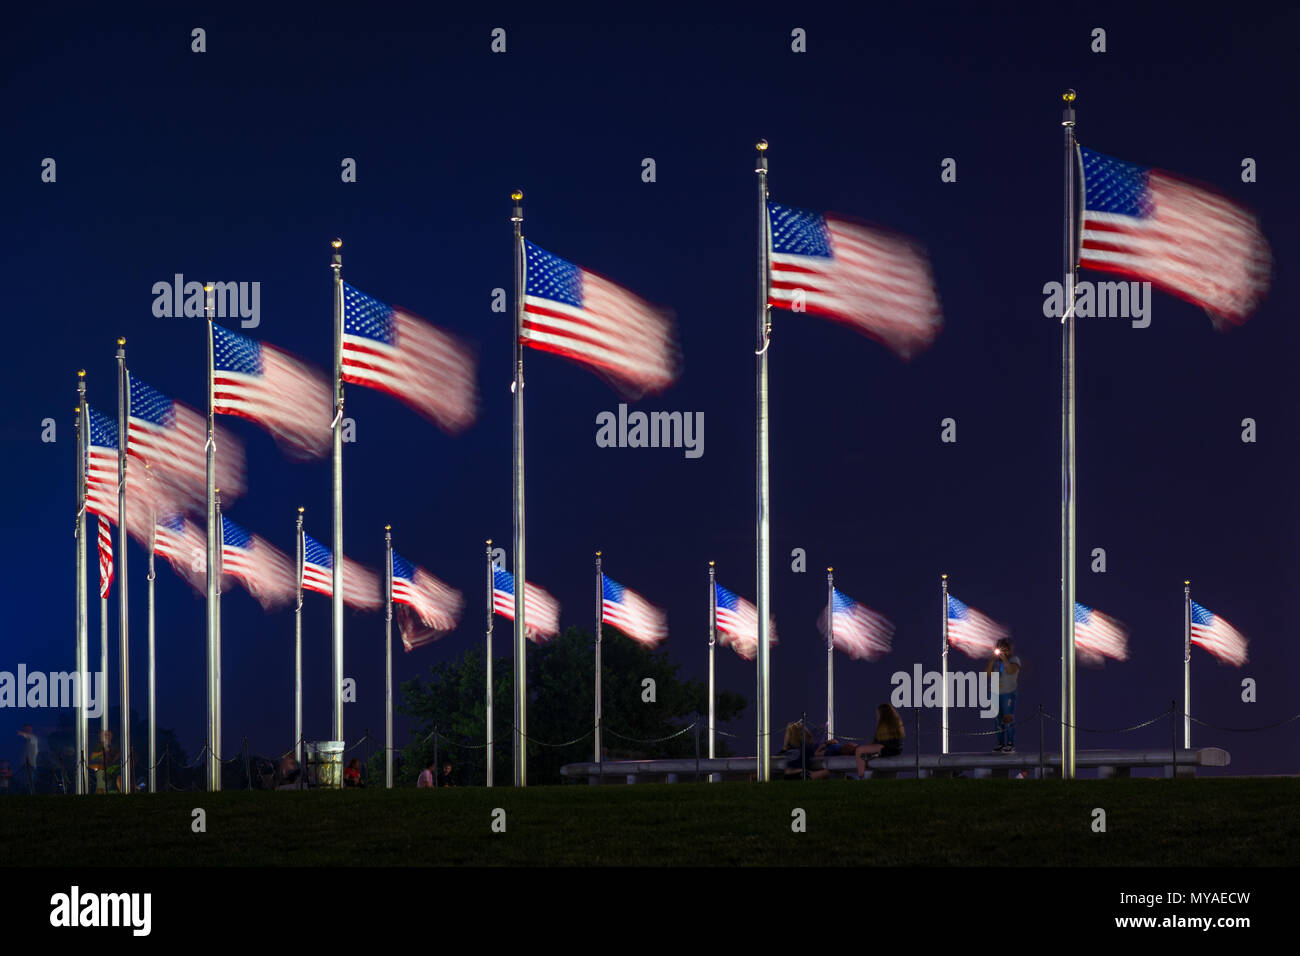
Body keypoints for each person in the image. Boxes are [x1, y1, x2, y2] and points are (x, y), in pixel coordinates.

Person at [986, 638, 1021, 753]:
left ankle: (1010, 744)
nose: (1002, 652)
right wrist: (992, 659)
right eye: (1000, 649)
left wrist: (1005, 659)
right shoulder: (996, 662)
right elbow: (987, 674)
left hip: (1008, 693)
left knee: (1008, 718)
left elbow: (1011, 671)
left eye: (1005, 649)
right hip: (995, 693)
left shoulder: (1014, 660)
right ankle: (1000, 743)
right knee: (998, 719)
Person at [853, 704, 906, 777]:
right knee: (865, 751)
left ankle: (861, 775)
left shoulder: (883, 726)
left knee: (859, 750)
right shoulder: (898, 725)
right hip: (895, 750)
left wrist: (869, 747)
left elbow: (879, 742)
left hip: (886, 749)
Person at [17, 725, 39, 794]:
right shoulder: (24, 742)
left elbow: (29, 737)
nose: (25, 731)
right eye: (24, 729)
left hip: (30, 766)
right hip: (24, 767)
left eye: (27, 729)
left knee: (30, 785)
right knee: (24, 785)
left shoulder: (33, 738)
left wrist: (22, 733)